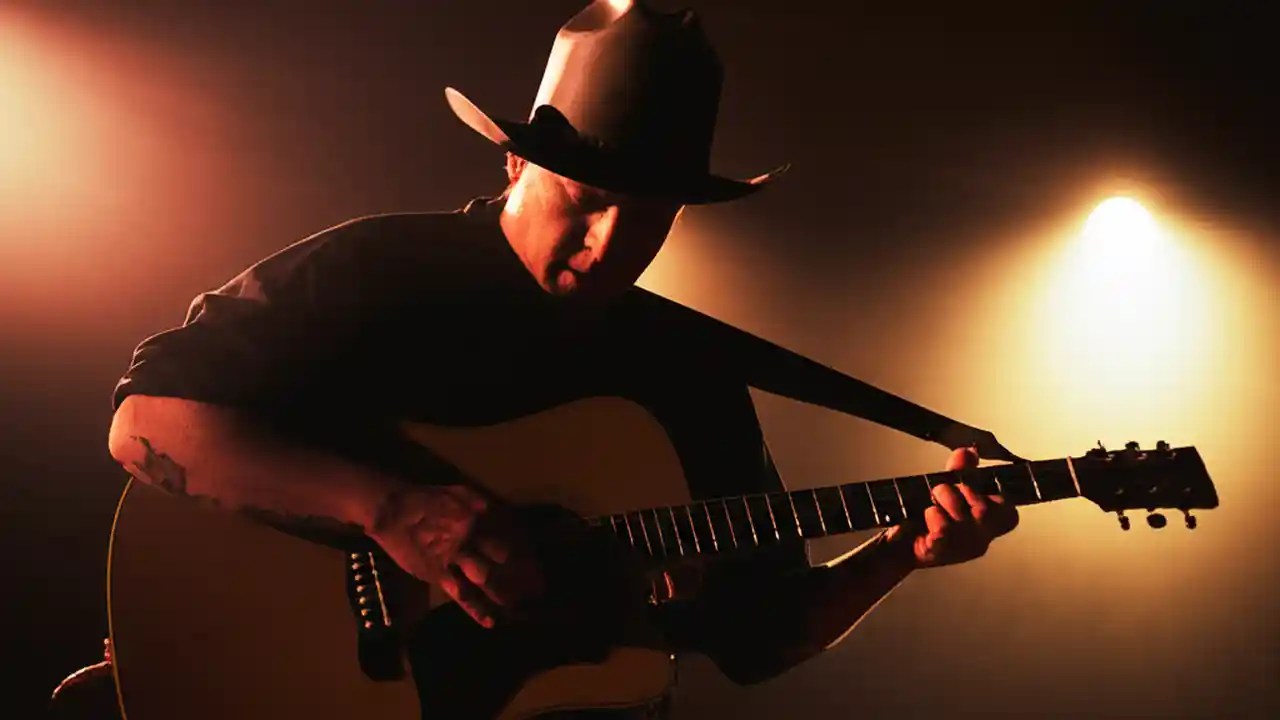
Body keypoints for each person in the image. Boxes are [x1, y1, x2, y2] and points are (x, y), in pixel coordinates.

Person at [99, 1, 1021, 717]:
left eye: (650, 216)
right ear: (514, 165)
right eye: (584, 200)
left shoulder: (688, 373)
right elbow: (146, 424)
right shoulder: (379, 272)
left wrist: (902, 553)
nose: (610, 242)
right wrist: (389, 508)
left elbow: (762, 637)